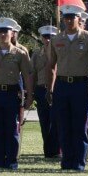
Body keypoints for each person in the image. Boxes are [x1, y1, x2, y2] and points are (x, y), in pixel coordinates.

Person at [48, 5, 88, 171]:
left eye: (73, 17)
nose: (69, 21)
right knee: (63, 126)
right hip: (62, 85)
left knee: (80, 126)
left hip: (80, 85)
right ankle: (66, 161)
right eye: (66, 18)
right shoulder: (56, 40)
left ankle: (79, 162)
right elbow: (51, 66)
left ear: (80, 18)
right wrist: (51, 89)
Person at [0, 18, 33, 170]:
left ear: (12, 34)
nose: (3, 34)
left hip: (12, 93)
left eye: (6, 32)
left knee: (12, 128)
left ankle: (11, 161)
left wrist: (30, 96)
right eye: (0, 32)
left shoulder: (20, 54)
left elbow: (27, 76)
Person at [33, 25, 60, 158]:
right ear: (42, 39)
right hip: (41, 88)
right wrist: (31, 92)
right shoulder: (37, 54)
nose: (48, 40)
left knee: (57, 121)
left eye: (51, 37)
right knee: (44, 121)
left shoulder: (61, 51)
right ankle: (48, 150)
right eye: (45, 37)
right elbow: (32, 73)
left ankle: (57, 149)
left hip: (57, 89)